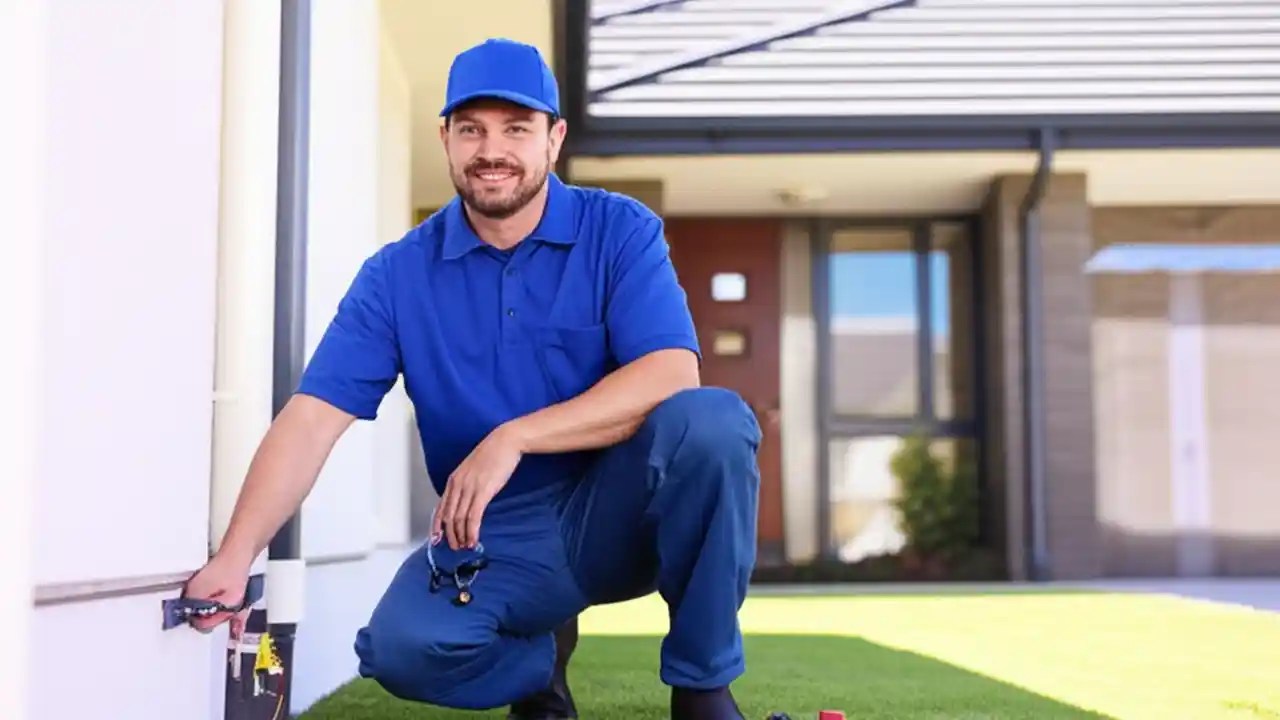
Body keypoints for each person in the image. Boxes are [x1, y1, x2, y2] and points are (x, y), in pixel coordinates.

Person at [183, 37, 762, 720]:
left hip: (622, 515)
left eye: (516, 129)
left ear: (554, 139)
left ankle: (702, 692)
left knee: (714, 423)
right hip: (493, 533)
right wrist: (235, 556)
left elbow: (672, 373)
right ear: (446, 140)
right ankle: (538, 668)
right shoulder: (397, 275)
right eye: (471, 130)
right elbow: (311, 418)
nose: (492, 150)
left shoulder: (619, 230)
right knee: (400, 650)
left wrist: (513, 438)